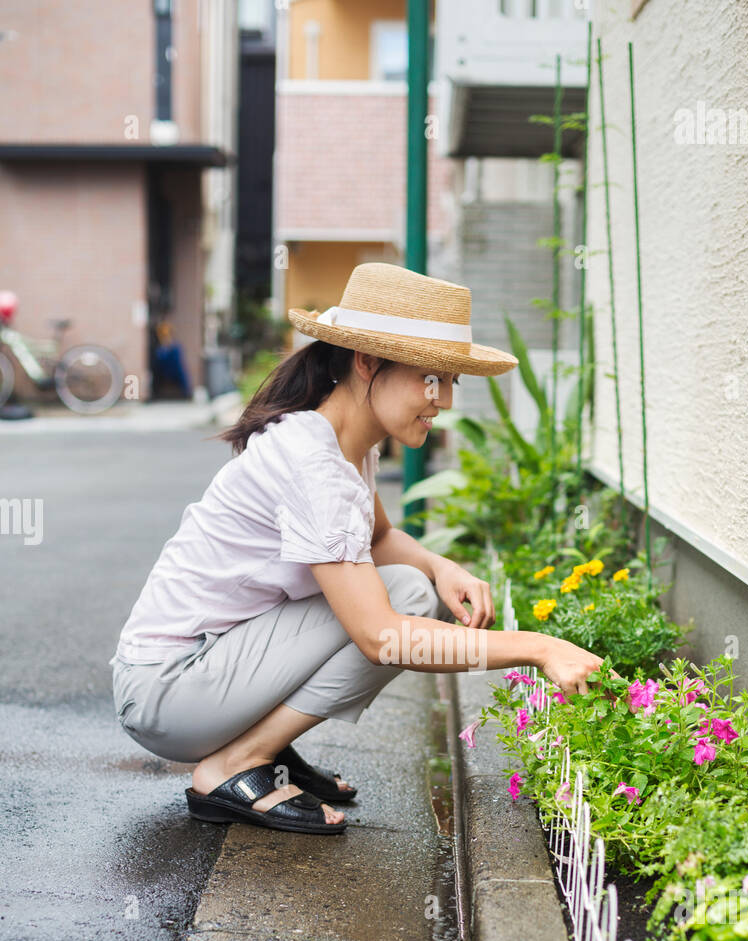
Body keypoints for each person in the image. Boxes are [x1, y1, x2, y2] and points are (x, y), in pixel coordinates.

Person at [109, 263, 613, 836]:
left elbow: (377, 539)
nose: (443, 399)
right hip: (170, 690)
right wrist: (541, 647)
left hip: (207, 672)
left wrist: (439, 564)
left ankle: (259, 749)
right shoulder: (313, 465)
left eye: (452, 382)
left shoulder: (347, 442)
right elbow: (381, 637)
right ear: (367, 363)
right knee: (403, 603)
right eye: (432, 379)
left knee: (413, 584)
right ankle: (238, 761)